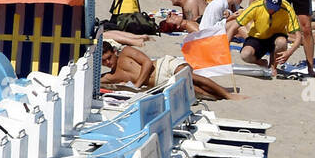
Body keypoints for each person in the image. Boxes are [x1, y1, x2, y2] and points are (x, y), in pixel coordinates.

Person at [100, 42, 240, 101]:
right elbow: (95, 81)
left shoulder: (125, 52)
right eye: (103, 62)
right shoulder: (111, 76)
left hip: (164, 66)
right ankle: (222, 95)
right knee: (199, 91)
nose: (108, 62)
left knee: (192, 78)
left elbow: (147, 63)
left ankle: (228, 94)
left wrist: (137, 85)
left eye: (109, 58)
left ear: (114, 51)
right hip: (160, 83)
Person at [234, 0, 298, 77]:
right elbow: (234, 26)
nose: (272, 10)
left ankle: (273, 66)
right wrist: (224, 45)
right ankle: (261, 62)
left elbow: (298, 35)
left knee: (282, 41)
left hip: (276, 36)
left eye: (275, 8)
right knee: (245, 54)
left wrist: (289, 52)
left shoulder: (286, 8)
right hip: (258, 37)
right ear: (265, 0)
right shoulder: (256, 6)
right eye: (270, 6)